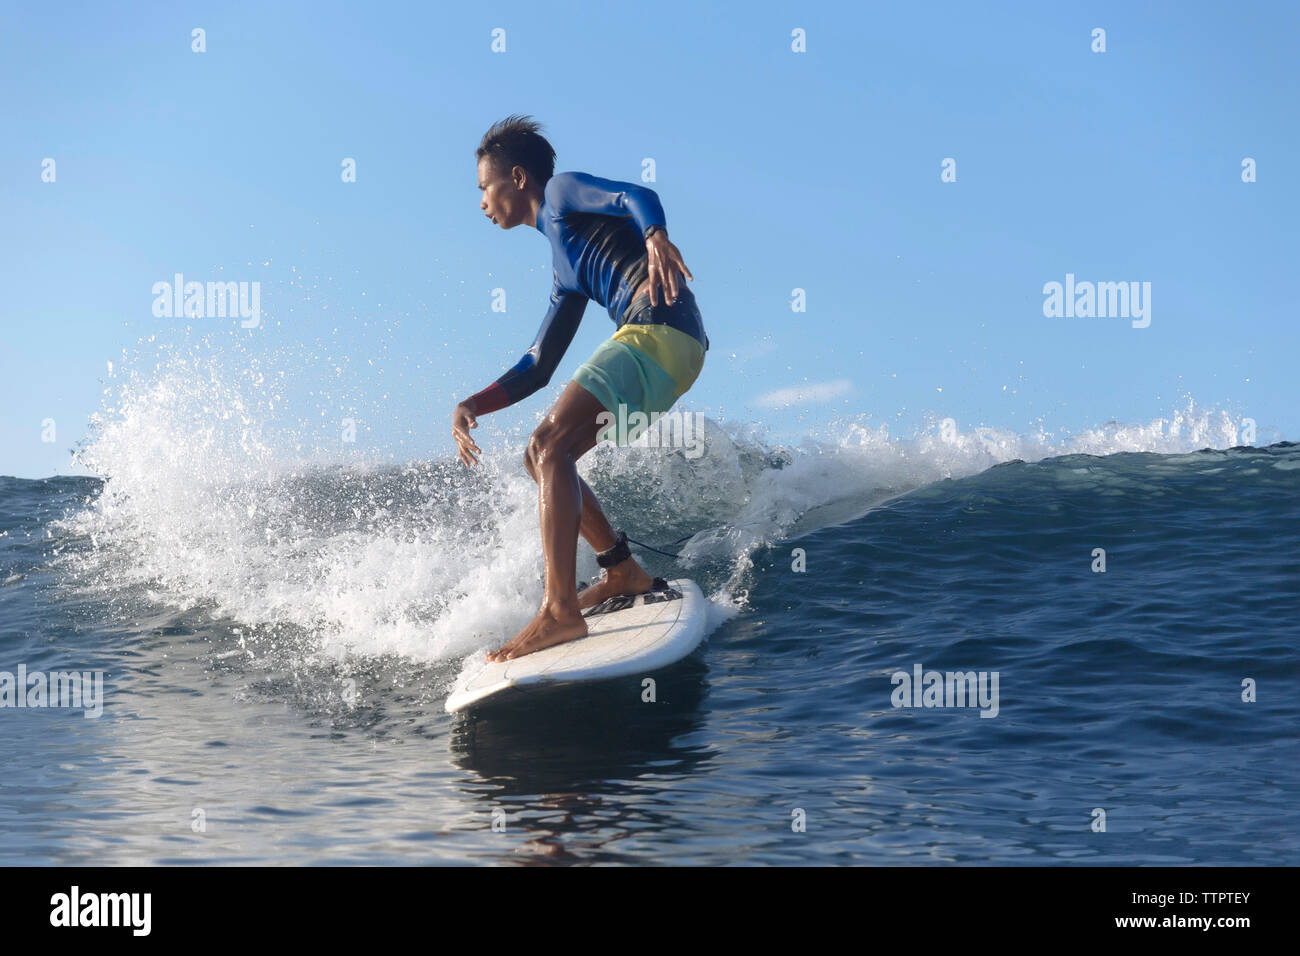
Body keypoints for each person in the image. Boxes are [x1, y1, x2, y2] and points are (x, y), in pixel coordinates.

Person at [454, 114, 708, 662]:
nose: (480, 202)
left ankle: (560, 611)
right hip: (668, 348)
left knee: (549, 446)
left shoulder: (564, 193)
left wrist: (655, 235)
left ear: (517, 178)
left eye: (484, 187)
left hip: (659, 330)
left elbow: (634, 194)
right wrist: (473, 404)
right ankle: (620, 571)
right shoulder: (563, 268)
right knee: (541, 456)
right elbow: (538, 364)